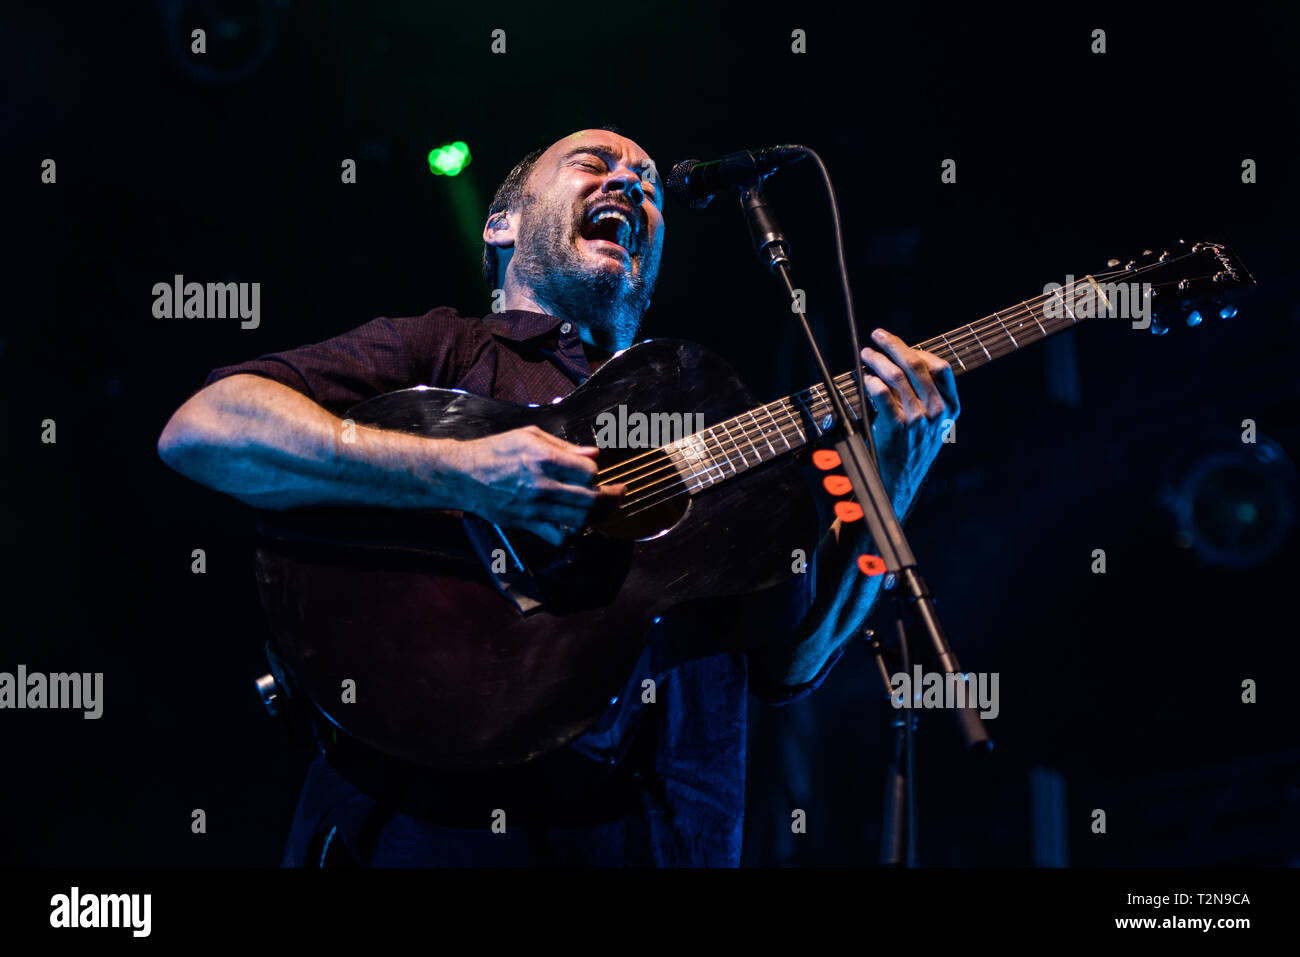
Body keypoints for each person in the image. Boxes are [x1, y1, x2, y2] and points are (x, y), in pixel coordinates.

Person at [157, 126, 960, 866]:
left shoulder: (709, 408)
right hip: (426, 831)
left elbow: (793, 664)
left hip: (662, 838)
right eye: (594, 163)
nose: (630, 184)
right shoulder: (441, 348)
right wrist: (461, 472)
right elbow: (204, 428)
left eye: (646, 181)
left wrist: (890, 483)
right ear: (501, 224)